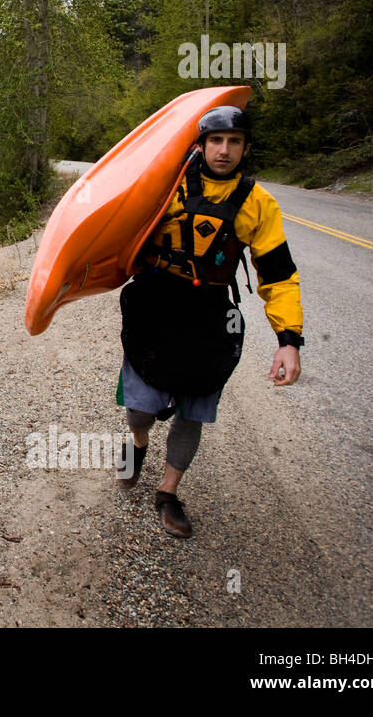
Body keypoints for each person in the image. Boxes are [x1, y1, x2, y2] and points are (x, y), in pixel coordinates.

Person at [114, 105, 303, 537]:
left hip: (209, 314)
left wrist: (288, 339)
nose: (224, 150)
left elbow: (278, 275)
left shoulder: (258, 204)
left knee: (193, 409)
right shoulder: (168, 183)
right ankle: (138, 444)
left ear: (246, 148)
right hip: (155, 302)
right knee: (140, 406)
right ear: (199, 145)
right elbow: (118, 225)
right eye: (215, 141)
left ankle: (168, 493)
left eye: (234, 142)